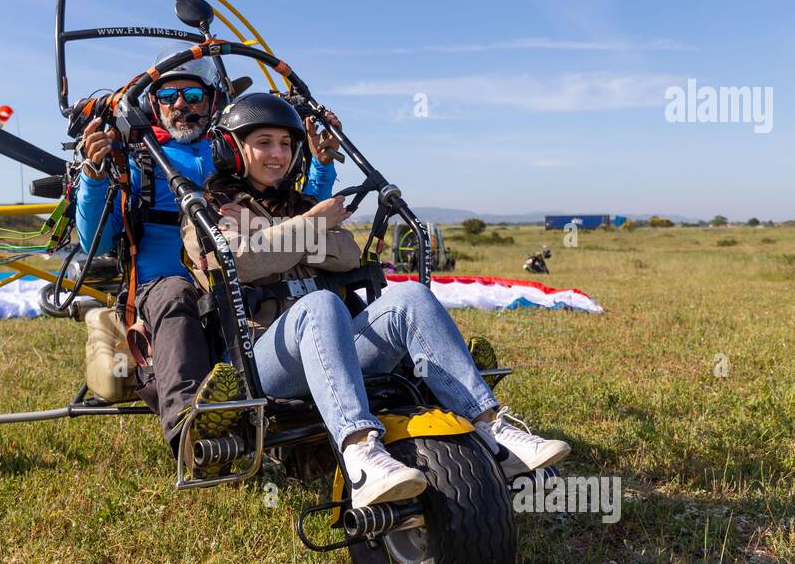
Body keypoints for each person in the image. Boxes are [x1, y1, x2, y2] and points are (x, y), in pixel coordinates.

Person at [182, 93, 571, 507]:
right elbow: (237, 263)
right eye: (264, 142)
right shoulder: (206, 209)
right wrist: (312, 227)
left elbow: (347, 253)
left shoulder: (300, 203)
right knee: (319, 305)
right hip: (264, 360)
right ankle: (362, 456)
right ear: (232, 148)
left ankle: (490, 427)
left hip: (332, 348)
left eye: (286, 143)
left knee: (412, 296)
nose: (278, 153)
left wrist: (276, 237)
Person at [75, 53, 340, 454]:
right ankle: (191, 427)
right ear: (153, 104)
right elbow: (95, 239)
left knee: (311, 279)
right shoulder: (137, 160)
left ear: (212, 103)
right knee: (176, 294)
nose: (182, 104)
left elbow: (300, 222)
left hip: (241, 274)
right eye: (169, 95)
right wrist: (94, 180)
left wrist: (320, 168)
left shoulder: (234, 156)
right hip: (166, 284)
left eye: (194, 94)